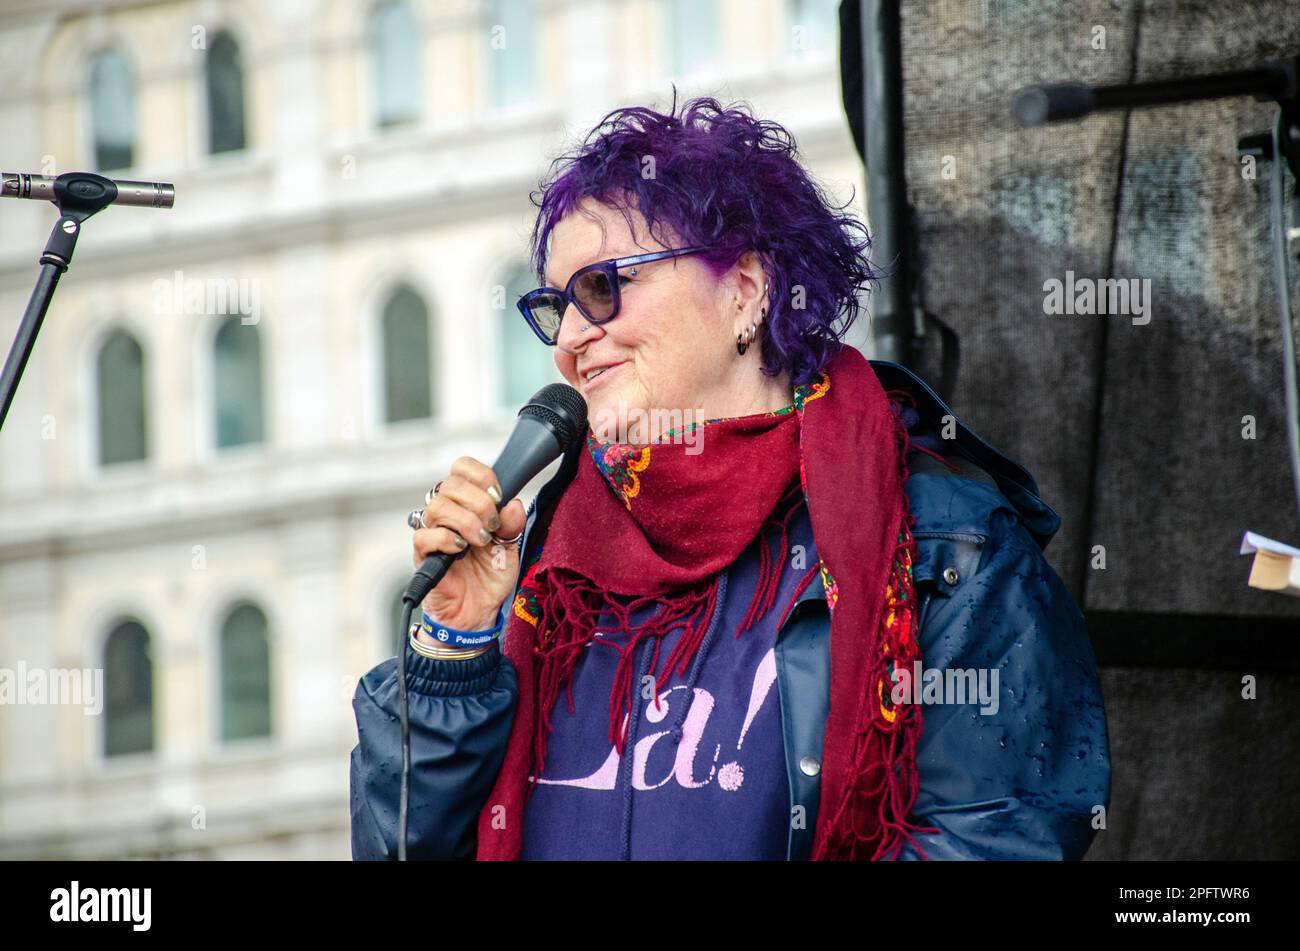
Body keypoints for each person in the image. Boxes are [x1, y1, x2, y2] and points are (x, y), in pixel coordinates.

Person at [349, 96, 1110, 861]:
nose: (571, 338)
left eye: (603, 288)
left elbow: (991, 840)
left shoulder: (944, 543)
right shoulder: (547, 555)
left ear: (744, 290)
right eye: (555, 307)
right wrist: (451, 651)